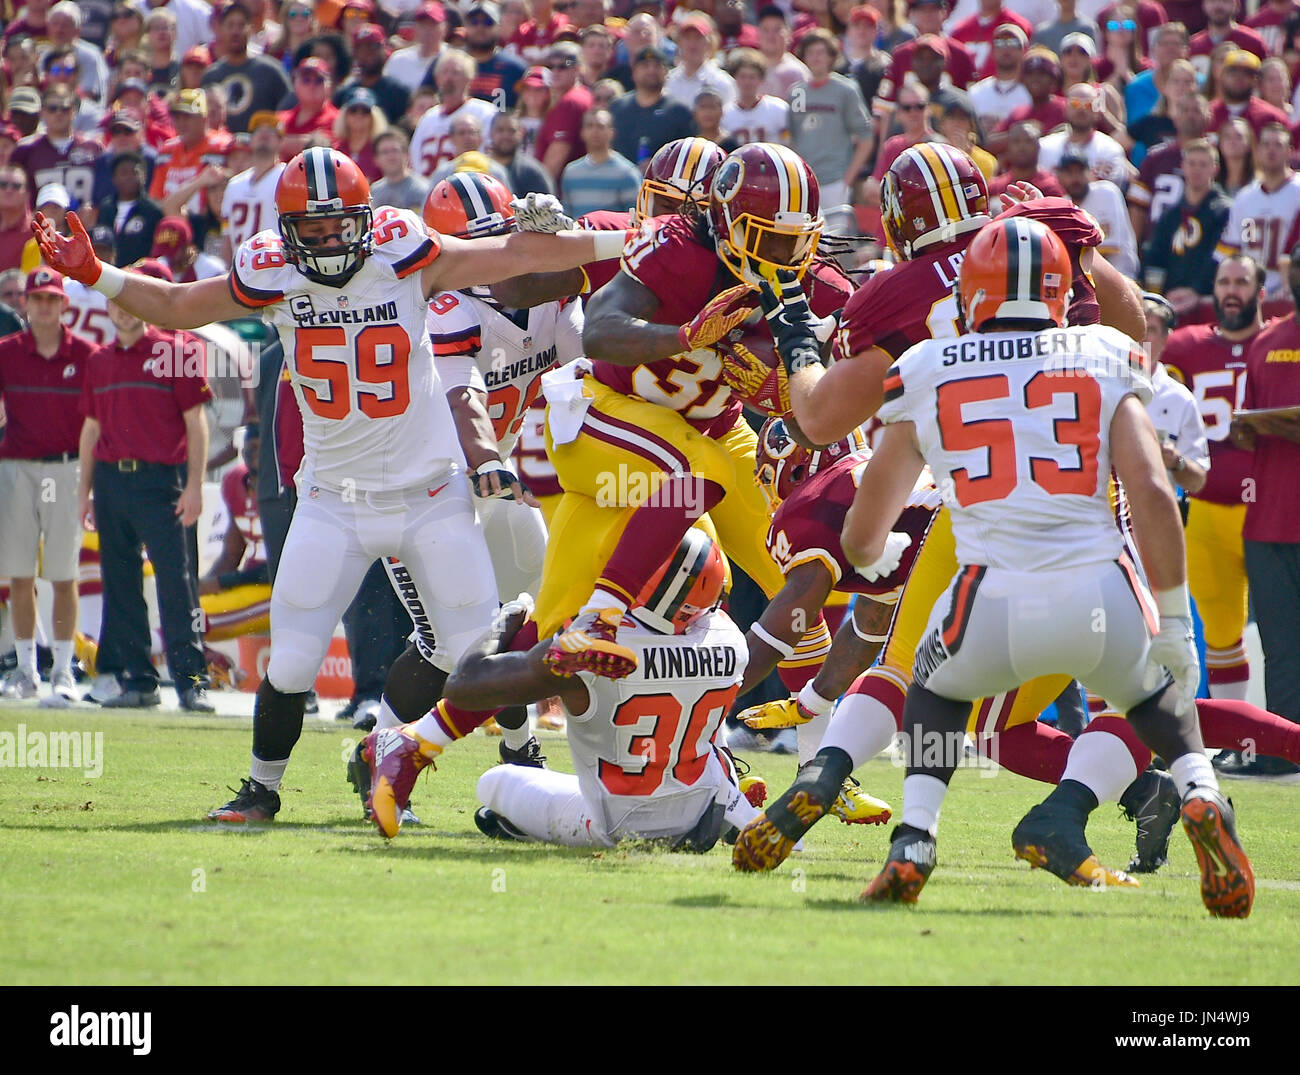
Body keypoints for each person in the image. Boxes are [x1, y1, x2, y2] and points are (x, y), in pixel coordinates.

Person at [34, 145, 633, 829]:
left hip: (431, 492)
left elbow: (522, 256)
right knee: (290, 661)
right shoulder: (274, 271)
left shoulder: (405, 252)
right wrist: (94, 272)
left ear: (365, 218)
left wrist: (634, 238)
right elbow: (177, 304)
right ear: (287, 231)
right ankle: (260, 790)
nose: (323, 243)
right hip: (333, 500)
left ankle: (444, 768)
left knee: (477, 652)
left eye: (336, 226)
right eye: (310, 231)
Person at [839, 216, 1253, 918]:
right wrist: (1176, 619)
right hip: (1101, 590)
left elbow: (860, 534)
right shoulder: (1103, 351)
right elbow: (1153, 491)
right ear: (1063, 291)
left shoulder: (931, 365)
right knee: (1155, 700)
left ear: (972, 293)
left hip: (990, 598)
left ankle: (914, 837)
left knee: (933, 690)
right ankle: (1203, 794)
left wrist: (874, 552)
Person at [449, 534, 762, 850]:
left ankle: (523, 825)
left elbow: (462, 687)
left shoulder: (595, 647)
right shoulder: (730, 639)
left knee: (494, 783)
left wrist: (506, 621)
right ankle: (728, 796)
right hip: (699, 812)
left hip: (616, 824)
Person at [76, 258, 215, 712]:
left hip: (163, 482)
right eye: (122, 296)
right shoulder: (98, 360)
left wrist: (195, 486)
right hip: (114, 482)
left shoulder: (180, 349)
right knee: (121, 582)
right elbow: (91, 430)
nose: (126, 308)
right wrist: (83, 494)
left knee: (178, 584)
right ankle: (138, 680)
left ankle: (193, 682)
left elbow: (197, 424)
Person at [1160, 258, 1264, 711]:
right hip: (1208, 510)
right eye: (1223, 281)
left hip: (1276, 507)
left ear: (1262, 289)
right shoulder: (1185, 346)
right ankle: (1236, 741)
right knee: (1220, 631)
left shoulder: (1281, 341)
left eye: (1242, 281)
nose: (1232, 290)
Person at [0, 268, 95, 705]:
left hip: (64, 469)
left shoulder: (87, 354)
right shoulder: (7, 352)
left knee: (63, 574)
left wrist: (90, 480)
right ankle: (25, 670)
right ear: (27, 303)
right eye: (37, 298)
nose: (43, 306)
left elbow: (97, 423)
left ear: (64, 305)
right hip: (17, 468)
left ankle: (62, 671)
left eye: (51, 299)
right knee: (20, 573)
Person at [1230, 249, 1300, 778]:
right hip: (1268, 519)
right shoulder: (1267, 341)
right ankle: (1280, 748)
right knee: (1279, 644)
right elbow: (1244, 424)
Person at [787, 29, 874, 213]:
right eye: (810, 53)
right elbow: (792, 137)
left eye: (821, 53)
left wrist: (847, 179)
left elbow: (866, 136)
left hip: (836, 179)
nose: (815, 58)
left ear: (831, 56)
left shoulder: (846, 90)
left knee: (835, 239)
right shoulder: (797, 92)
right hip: (804, 181)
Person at [1143, 139, 1232, 314]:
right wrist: (1154, 296)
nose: (1196, 170)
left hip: (1207, 302)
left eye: (1203, 164)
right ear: (1183, 166)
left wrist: (1196, 290)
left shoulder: (1225, 212)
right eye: (1191, 163)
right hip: (1169, 302)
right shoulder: (1171, 214)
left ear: (1215, 168)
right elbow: (1156, 255)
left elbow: (1219, 258)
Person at [1216, 122, 1300, 300]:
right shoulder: (1245, 197)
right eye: (1266, 145)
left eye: (1278, 145)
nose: (1271, 150)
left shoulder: (1297, 190)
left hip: (1290, 293)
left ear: (1289, 151)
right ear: (1258, 150)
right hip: (1251, 292)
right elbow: (1231, 251)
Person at [1141, 292, 1210, 503]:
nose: (1141, 337)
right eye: (1136, 328)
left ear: (1165, 339)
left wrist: (1176, 461)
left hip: (1157, 520)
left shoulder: (1181, 399)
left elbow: (1197, 482)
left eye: (1150, 329)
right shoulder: (1102, 386)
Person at [201, 0, 293, 134]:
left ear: (250, 29)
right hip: (221, 148)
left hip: (260, 149)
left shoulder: (271, 70)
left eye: (241, 25)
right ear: (221, 30)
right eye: (230, 25)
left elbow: (289, 111)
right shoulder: (211, 75)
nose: (235, 31)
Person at [9, 85, 98, 211]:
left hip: (84, 227)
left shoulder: (93, 147)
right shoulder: (25, 150)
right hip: (42, 226)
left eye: (65, 108)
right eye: (52, 108)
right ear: (42, 112)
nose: (58, 113)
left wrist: (95, 209)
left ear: (74, 111)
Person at [410, 50, 496, 179]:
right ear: (437, 79)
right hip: (432, 190)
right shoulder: (428, 117)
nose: (449, 78)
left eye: (456, 72)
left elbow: (489, 155)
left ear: (469, 78)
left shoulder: (485, 112)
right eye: (444, 72)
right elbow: (415, 156)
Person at [607, 47, 694, 172]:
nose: (651, 70)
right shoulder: (617, 107)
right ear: (634, 72)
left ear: (666, 72)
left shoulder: (679, 111)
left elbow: (687, 158)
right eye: (645, 66)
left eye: (657, 66)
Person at [149, 90, 233, 220]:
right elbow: (156, 199)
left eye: (187, 116)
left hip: (210, 225)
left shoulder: (222, 147)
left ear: (204, 118)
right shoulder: (166, 151)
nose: (181, 122)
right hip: (172, 222)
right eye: (177, 117)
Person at [1056, 148, 1138, 277]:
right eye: (1069, 173)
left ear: (1090, 173)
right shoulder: (1062, 205)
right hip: (1085, 282)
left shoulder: (1106, 192)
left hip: (1122, 278)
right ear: (1059, 176)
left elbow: (1106, 249)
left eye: (1080, 171)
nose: (1075, 178)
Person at [1037, 81, 1135, 189]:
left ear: (1098, 111)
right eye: (1075, 103)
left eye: (1088, 104)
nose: (1081, 109)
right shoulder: (1044, 147)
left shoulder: (1111, 149)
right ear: (1065, 108)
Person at [219, 112, 285, 265]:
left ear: (281, 141)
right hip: (240, 271)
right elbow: (227, 237)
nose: (263, 133)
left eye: (271, 130)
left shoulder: (287, 178)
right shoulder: (234, 184)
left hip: (276, 269)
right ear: (250, 140)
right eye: (258, 130)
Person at [559, 108, 641, 217]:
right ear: (582, 132)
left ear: (612, 132)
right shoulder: (570, 172)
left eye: (600, 126)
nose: (595, 131)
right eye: (589, 126)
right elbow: (566, 215)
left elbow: (634, 218)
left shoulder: (627, 172)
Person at [534, 42, 595, 185]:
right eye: (551, 66)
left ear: (578, 69)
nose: (555, 71)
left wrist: (538, 193)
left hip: (562, 189)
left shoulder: (570, 102)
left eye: (563, 66)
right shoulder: (581, 95)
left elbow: (556, 156)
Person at [95, 152, 164, 267]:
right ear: (114, 178)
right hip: (110, 273)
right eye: (123, 173)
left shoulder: (153, 210)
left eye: (135, 172)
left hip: (140, 274)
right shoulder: (106, 207)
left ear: (144, 176)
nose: (129, 177)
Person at [663, 13, 737, 112]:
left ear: (708, 43)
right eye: (687, 38)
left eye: (698, 38)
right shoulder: (668, 81)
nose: (692, 44)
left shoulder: (722, 83)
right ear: (679, 43)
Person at [463, 0, 526, 110]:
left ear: (499, 26)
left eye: (488, 22)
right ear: (465, 27)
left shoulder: (516, 69)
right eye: (474, 22)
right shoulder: (450, 65)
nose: (480, 27)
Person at [723, 50, 790, 146]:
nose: (747, 82)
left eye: (752, 77)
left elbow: (789, 145)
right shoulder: (725, 113)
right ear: (735, 78)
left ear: (761, 79)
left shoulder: (779, 109)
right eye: (742, 76)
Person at [277, 58, 339, 161]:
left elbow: (324, 149)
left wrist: (280, 143)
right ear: (295, 83)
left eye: (319, 80)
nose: (312, 85)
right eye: (306, 80)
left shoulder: (338, 120)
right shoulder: (280, 119)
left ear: (329, 86)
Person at [987, 120, 1066, 200]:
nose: (1022, 147)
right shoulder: (995, 187)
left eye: (1028, 141)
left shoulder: (1051, 187)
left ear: (1038, 147)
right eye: (1016, 141)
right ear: (1007, 147)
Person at [487, 111, 554, 198]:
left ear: (521, 133)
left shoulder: (533, 173)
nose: (505, 135)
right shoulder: (481, 169)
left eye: (511, 131)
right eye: (500, 130)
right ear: (490, 133)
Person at [384, 1, 447, 93]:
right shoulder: (398, 60)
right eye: (423, 25)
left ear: (444, 28)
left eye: (432, 25)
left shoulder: (453, 60)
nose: (428, 31)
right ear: (415, 28)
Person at [370, 129, 432, 212]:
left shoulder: (422, 189)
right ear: (376, 159)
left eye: (395, 150)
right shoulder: (374, 192)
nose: (390, 156)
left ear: (406, 154)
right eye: (384, 152)